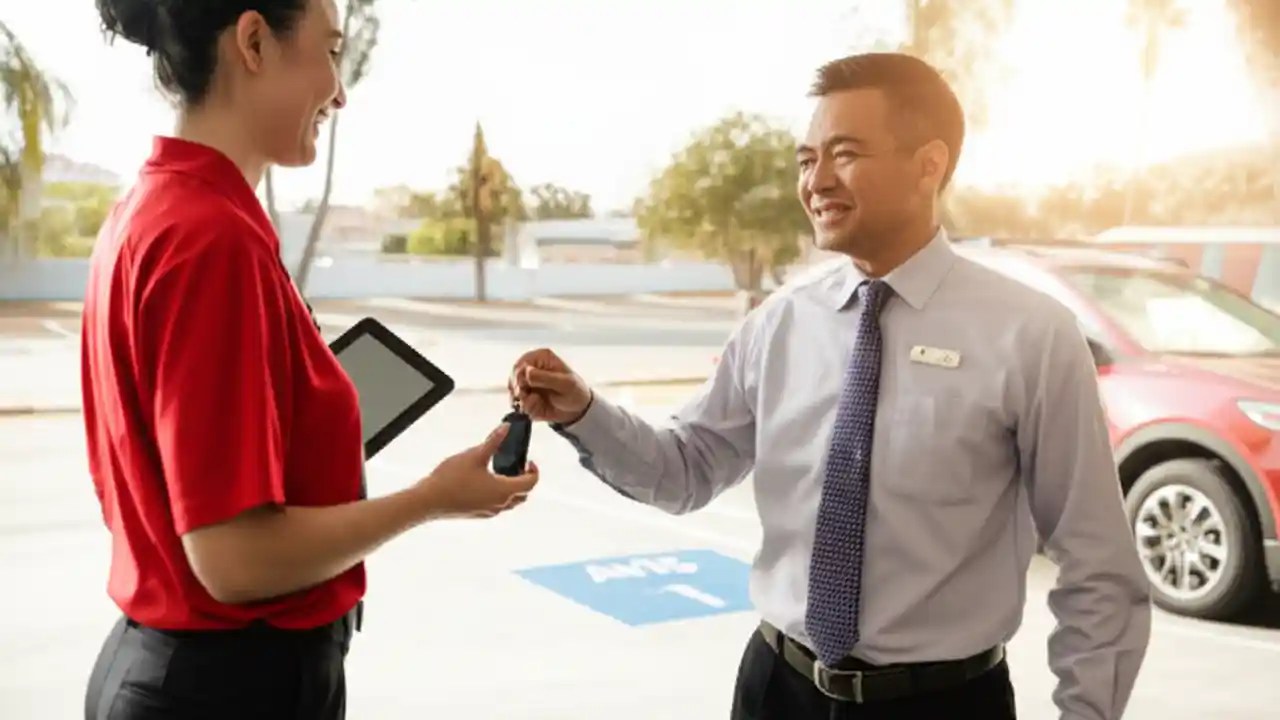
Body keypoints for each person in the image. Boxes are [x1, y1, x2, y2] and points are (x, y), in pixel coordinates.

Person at [511, 52, 1151, 720]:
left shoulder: (1032, 335)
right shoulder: (781, 323)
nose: (815, 181)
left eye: (843, 154)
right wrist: (583, 411)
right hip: (774, 691)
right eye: (805, 159)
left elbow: (1097, 565)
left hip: (944, 703)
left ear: (929, 164)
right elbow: (684, 471)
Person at [81, 2, 539, 718]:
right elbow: (234, 561)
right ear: (255, 42)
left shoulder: (155, 210)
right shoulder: (211, 240)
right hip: (229, 688)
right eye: (330, 52)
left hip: (181, 670)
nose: (340, 90)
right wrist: (432, 498)